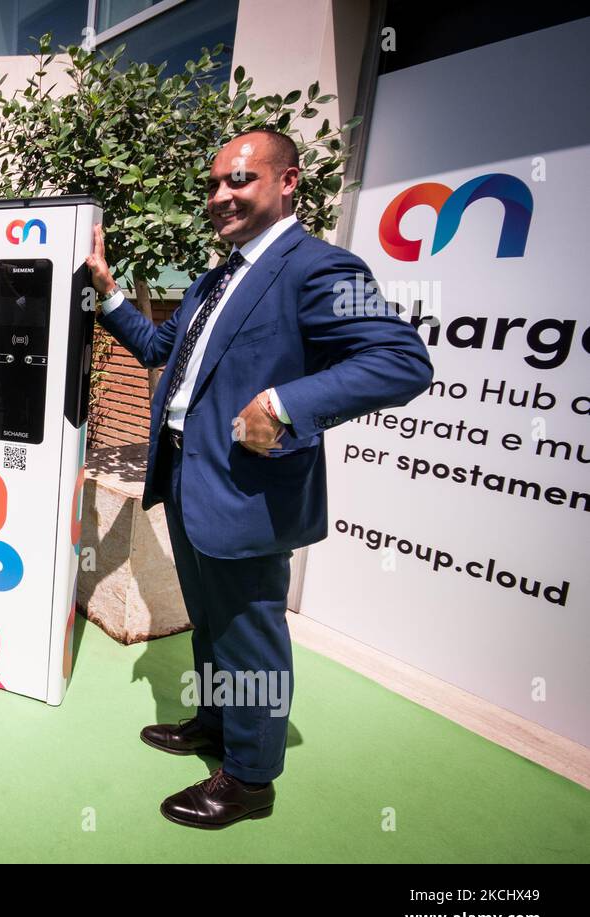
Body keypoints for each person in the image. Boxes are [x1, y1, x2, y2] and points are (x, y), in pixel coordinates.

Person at [86, 129, 433, 828]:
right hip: (187, 476)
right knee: (211, 624)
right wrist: (110, 292)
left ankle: (249, 779)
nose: (220, 196)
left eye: (239, 180)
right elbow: (161, 348)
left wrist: (283, 404)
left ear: (288, 183)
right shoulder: (216, 280)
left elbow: (401, 361)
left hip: (249, 490)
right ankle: (217, 723)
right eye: (213, 185)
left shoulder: (318, 269)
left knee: (250, 635)